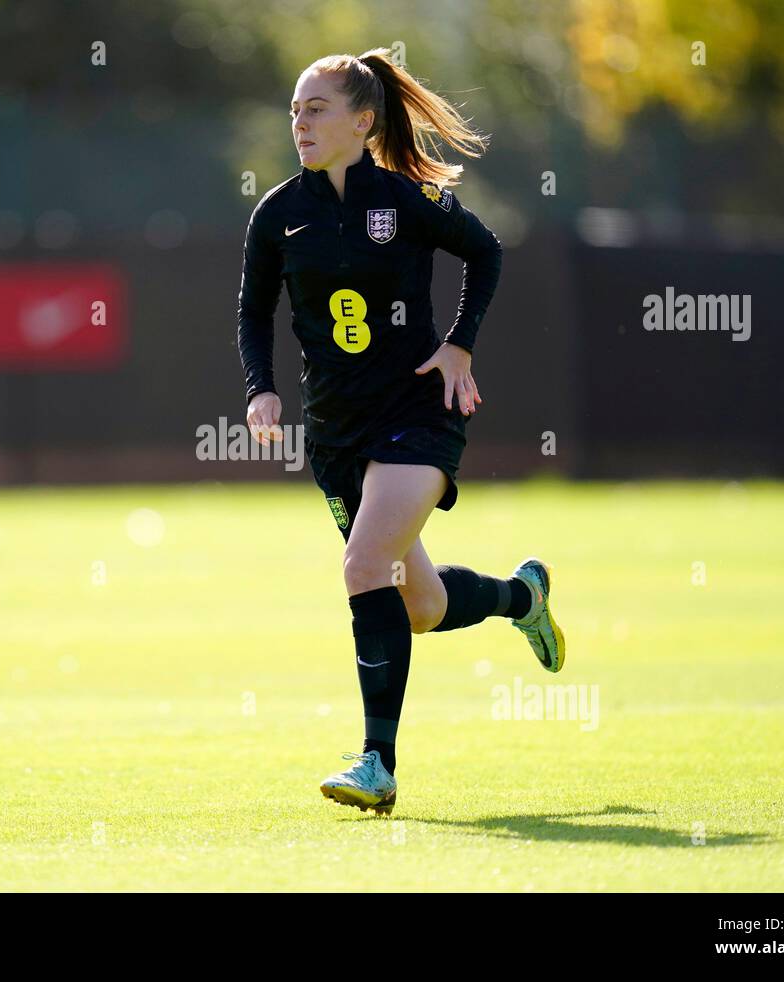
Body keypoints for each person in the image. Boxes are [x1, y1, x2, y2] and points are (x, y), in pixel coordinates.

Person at [236, 49, 566, 816]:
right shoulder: (279, 212)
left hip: (417, 413)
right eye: (295, 109)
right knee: (416, 606)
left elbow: (484, 252)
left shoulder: (405, 200)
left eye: (316, 109)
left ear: (362, 120)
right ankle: (523, 599)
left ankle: (376, 764)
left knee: (361, 566)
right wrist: (262, 390)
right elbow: (253, 310)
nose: (300, 123)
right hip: (335, 433)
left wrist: (458, 345)